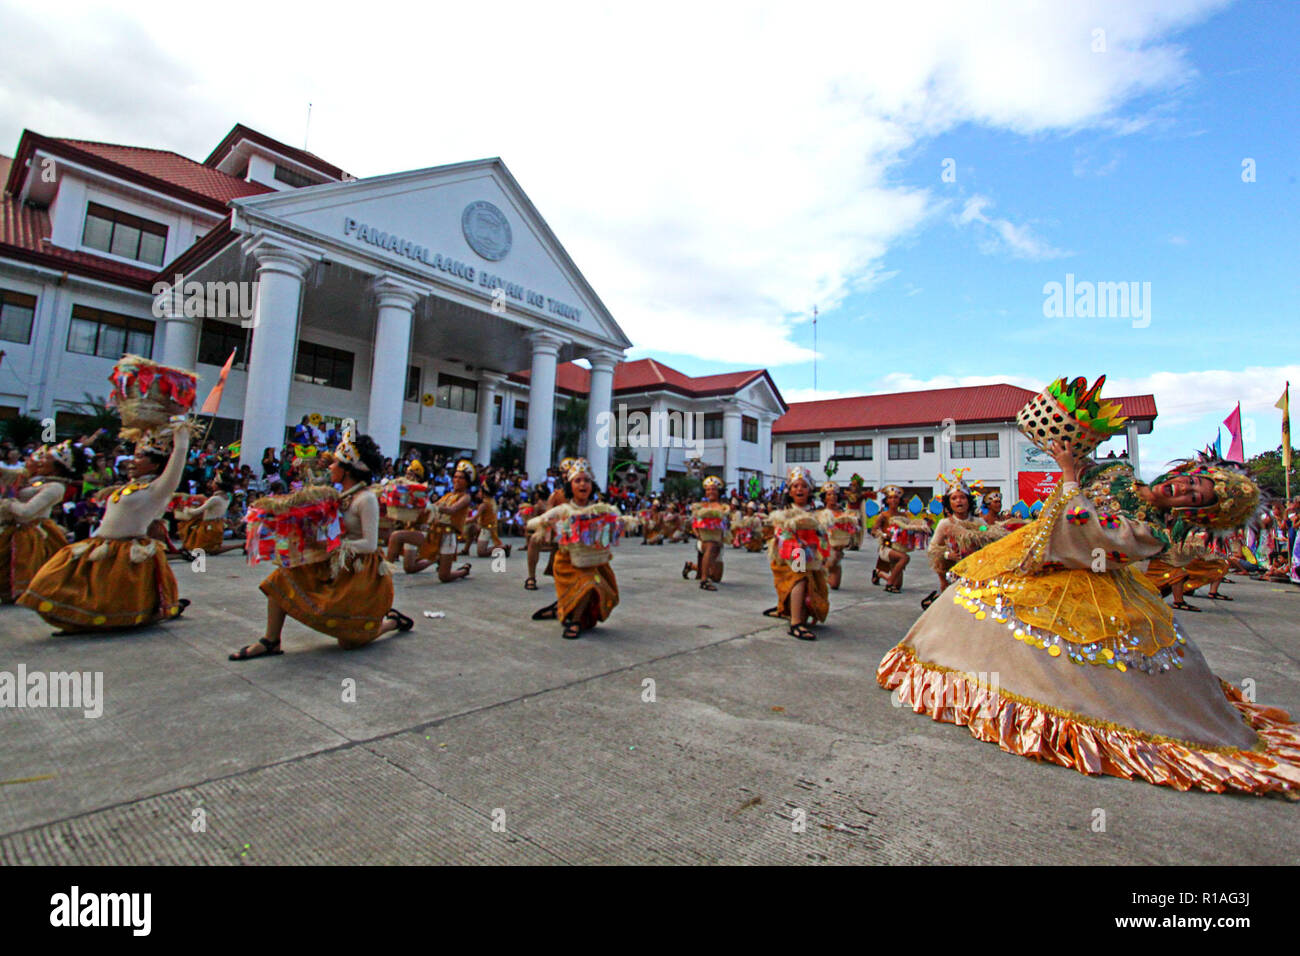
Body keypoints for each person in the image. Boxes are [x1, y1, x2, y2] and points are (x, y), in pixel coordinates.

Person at [878, 440, 1300, 795]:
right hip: (1032, 555)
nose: (1183, 489)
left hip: (1084, 581)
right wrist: (1073, 447)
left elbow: (1084, 532)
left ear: (1198, 514)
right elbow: (1080, 477)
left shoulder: (1151, 531)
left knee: (1078, 670)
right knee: (966, 612)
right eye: (1192, 481)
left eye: (1195, 497)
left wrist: (1067, 475)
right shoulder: (1120, 473)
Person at [230, 431, 412, 660]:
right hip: (334, 559)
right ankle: (270, 641)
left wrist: (335, 546)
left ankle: (391, 623)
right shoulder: (340, 494)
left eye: (336, 463)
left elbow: (369, 543)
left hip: (358, 571)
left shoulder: (366, 499)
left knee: (349, 642)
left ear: (347, 469)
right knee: (282, 579)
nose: (331, 467)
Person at [19, 423, 189, 631]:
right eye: (134, 456)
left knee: (112, 606)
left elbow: (179, 454)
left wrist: (181, 426)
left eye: (140, 457)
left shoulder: (158, 489)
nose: (132, 462)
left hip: (127, 552)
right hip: (99, 544)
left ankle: (154, 613)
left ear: (154, 465)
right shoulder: (127, 487)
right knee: (51, 581)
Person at [528, 458, 620, 639]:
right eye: (578, 480)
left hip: (593, 562)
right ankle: (574, 621)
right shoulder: (563, 509)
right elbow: (536, 523)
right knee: (588, 583)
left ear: (591, 485)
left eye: (586, 480)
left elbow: (614, 526)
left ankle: (564, 609)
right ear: (571, 485)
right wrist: (550, 526)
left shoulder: (599, 509)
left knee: (595, 584)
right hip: (567, 563)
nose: (583, 484)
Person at [0, 442, 78, 603]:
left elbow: (27, 511)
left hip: (32, 534)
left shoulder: (55, 487)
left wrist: (8, 503)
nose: (41, 461)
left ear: (58, 465)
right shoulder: (35, 480)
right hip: (14, 529)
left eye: (46, 458)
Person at [921, 469, 1007, 611]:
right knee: (951, 603)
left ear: (969, 500)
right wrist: (949, 555)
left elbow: (987, 534)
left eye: (962, 497)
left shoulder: (979, 523)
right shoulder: (945, 524)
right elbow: (932, 548)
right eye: (954, 498)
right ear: (949, 503)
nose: (959, 501)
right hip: (952, 569)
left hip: (974, 569)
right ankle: (935, 601)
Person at [762, 466, 830, 641]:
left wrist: (821, 553)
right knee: (799, 576)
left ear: (809, 491)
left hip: (812, 559)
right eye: (795, 486)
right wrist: (800, 548)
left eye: (803, 486)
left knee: (810, 604)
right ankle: (795, 624)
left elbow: (823, 538)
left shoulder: (817, 515)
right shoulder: (783, 514)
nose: (799, 489)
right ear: (790, 491)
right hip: (791, 556)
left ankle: (789, 612)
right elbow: (782, 537)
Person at [386, 459, 473, 582]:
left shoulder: (466, 497)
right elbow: (431, 507)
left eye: (461, 478)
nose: (457, 480)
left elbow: (452, 510)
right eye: (455, 477)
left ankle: (463, 571)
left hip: (447, 536)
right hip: (432, 533)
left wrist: (429, 506)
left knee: (444, 576)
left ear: (467, 482)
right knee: (398, 540)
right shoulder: (447, 495)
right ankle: (385, 573)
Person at [871, 486, 929, 593]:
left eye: (896, 498)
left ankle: (879, 573)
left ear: (899, 500)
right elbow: (873, 531)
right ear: (887, 500)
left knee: (898, 585)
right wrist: (883, 534)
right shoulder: (883, 515)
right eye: (890, 498)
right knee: (905, 558)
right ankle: (888, 585)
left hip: (899, 547)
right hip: (887, 548)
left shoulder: (904, 515)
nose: (893, 500)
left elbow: (910, 527)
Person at [524, 461, 570, 589]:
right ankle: (531, 577)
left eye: (569, 473)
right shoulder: (555, 495)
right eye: (564, 473)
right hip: (556, 529)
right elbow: (548, 516)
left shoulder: (583, 495)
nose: (566, 476)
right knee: (534, 540)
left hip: (574, 532)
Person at [175, 473, 238, 555]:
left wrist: (185, 509)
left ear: (218, 485)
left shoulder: (215, 499)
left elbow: (196, 511)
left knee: (209, 549)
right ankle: (183, 549)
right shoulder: (226, 497)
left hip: (208, 525)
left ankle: (239, 546)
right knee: (206, 545)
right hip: (217, 524)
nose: (212, 484)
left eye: (214, 482)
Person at [683, 475, 728, 590]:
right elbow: (694, 524)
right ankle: (704, 581)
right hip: (704, 541)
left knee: (716, 577)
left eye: (713, 489)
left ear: (718, 491)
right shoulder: (700, 507)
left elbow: (726, 526)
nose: (711, 491)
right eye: (708, 489)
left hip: (718, 541)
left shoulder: (723, 508)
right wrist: (698, 536)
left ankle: (692, 566)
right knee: (711, 546)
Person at [816, 481, 861, 591]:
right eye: (829, 494)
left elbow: (851, 528)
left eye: (835, 494)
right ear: (824, 497)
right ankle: (818, 573)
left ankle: (822, 573)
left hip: (839, 548)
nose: (832, 497)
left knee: (834, 585)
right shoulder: (820, 513)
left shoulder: (844, 513)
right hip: (825, 549)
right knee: (834, 555)